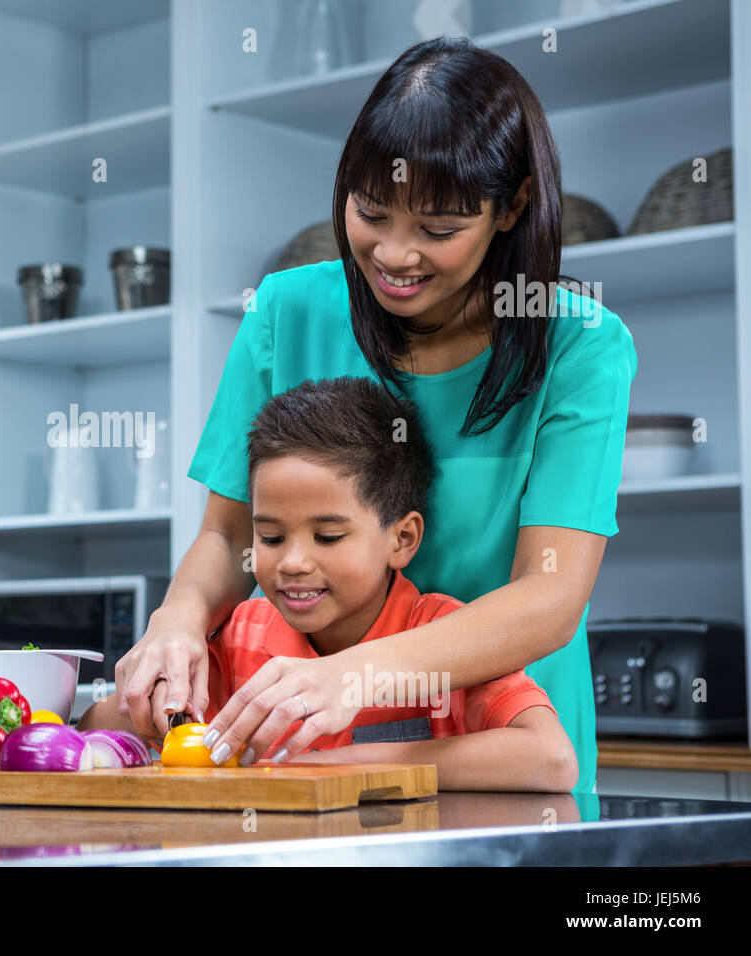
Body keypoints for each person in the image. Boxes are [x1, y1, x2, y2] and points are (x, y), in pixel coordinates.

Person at [112, 36, 636, 794]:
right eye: (371, 212)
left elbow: (548, 595)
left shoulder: (580, 344)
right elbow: (228, 539)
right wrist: (177, 620)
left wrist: (351, 679)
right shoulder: (286, 312)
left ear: (512, 205)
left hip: (495, 763)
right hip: (311, 767)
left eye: (439, 229)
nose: (394, 254)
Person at [80, 377, 577, 791]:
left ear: (402, 539)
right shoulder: (238, 641)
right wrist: (149, 697)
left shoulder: (441, 633)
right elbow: (96, 731)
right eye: (271, 535)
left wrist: (326, 769)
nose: (292, 562)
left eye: (328, 536)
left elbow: (550, 759)